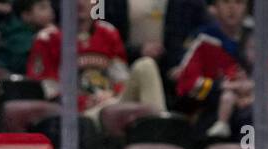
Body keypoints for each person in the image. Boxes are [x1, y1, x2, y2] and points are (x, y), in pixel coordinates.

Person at [175, 0, 268, 139]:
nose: (232, 8)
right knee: (246, 119)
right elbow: (186, 83)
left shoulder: (258, 37)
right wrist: (224, 87)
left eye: (238, 2)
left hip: (255, 104)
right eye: (226, 2)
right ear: (214, 7)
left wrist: (255, 86)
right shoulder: (204, 40)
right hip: (215, 110)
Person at [27, 0, 168, 118]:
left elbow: (121, 79)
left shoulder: (108, 33)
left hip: (113, 103)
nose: (80, 2)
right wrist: (87, 101)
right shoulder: (47, 39)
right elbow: (49, 91)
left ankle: (160, 127)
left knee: (146, 65)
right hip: (79, 116)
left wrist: (111, 95)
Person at [0, 0, 54, 74]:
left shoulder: (44, 32)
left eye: (50, 6)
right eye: (42, 8)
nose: (50, 11)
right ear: (26, 15)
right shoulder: (17, 37)